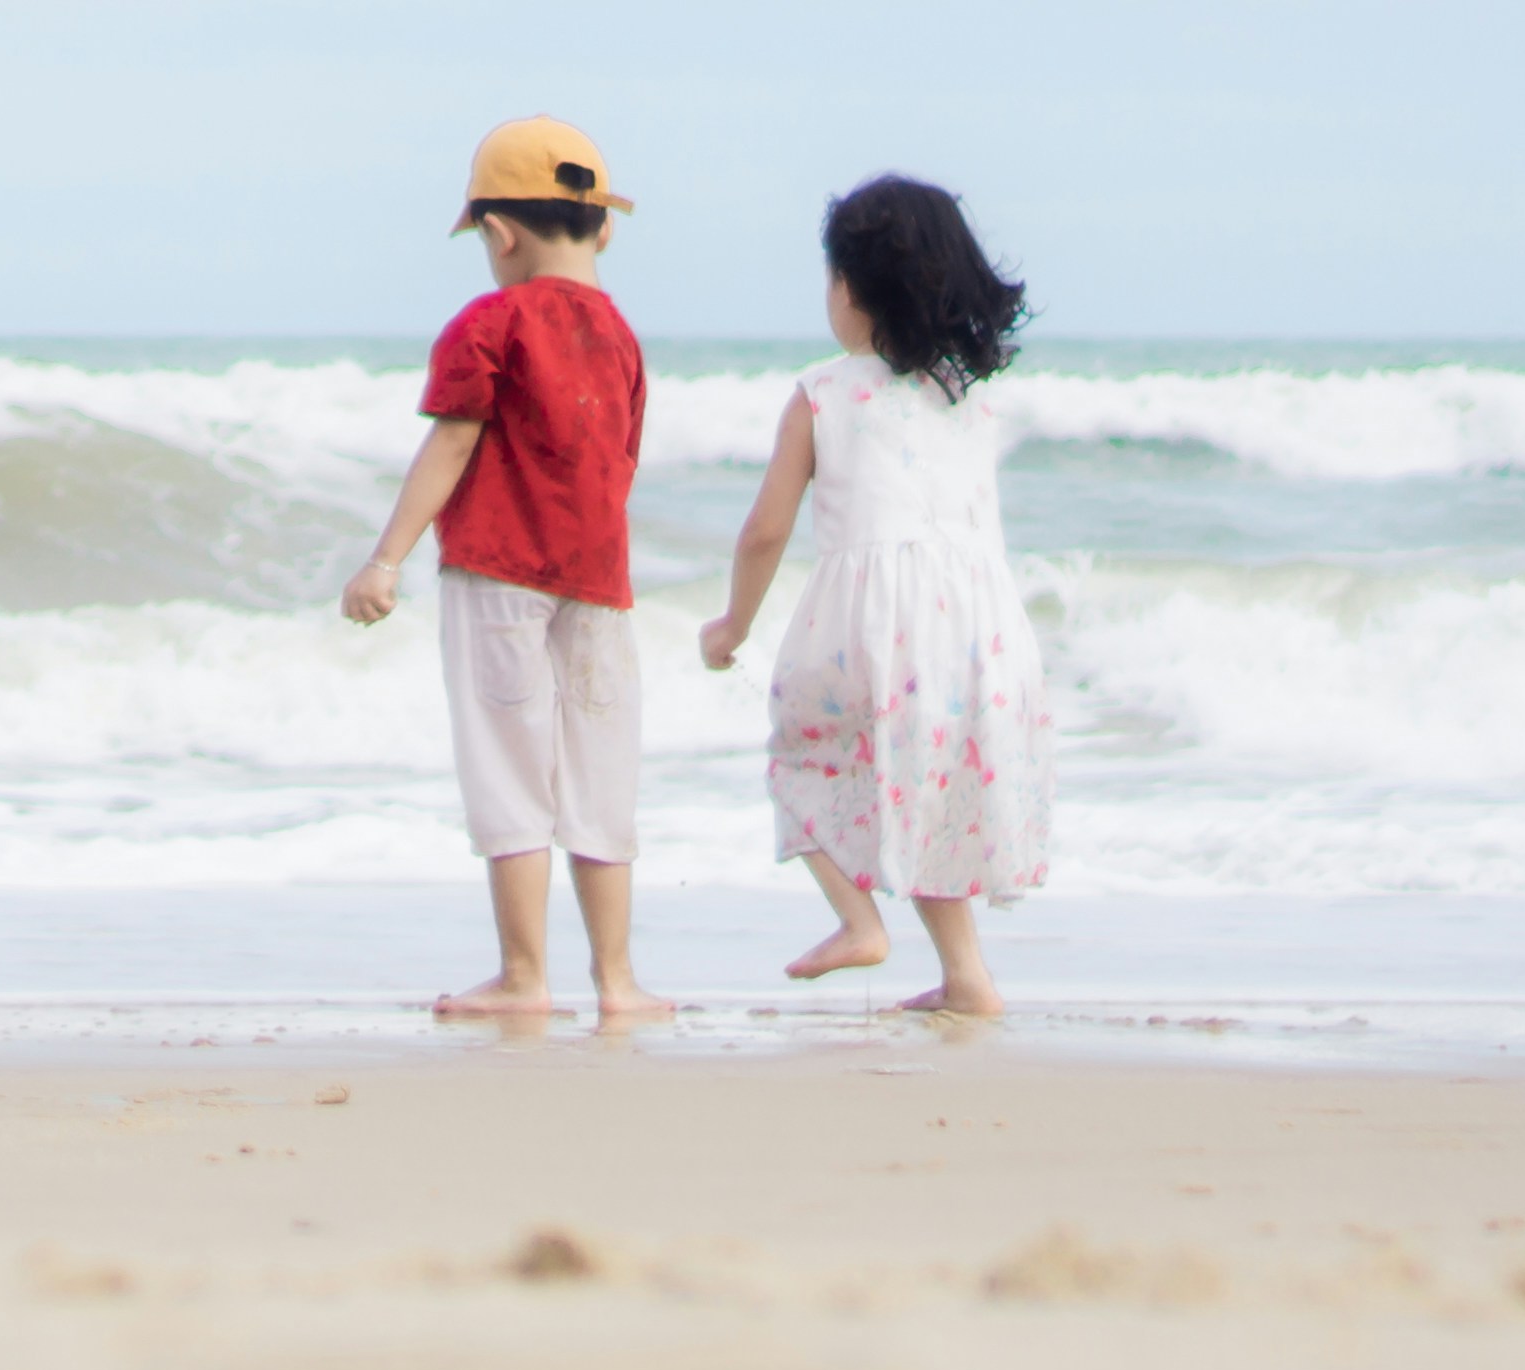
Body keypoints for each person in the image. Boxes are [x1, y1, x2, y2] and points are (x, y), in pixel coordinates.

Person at [695, 173, 1049, 1015]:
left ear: (850, 287)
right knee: (932, 787)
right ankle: (966, 979)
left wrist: (732, 625)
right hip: (979, 632)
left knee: (801, 758)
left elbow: (765, 531)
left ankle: (858, 922)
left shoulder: (822, 391)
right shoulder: (970, 395)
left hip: (869, 621)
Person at [342, 117, 669, 1022]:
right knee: (602, 773)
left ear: (497, 232)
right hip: (599, 585)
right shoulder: (624, 338)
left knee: (509, 769)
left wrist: (385, 559)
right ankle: (619, 981)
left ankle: (525, 976)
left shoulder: (488, 322)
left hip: (495, 574)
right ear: (604, 227)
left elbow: (451, 446)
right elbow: (622, 462)